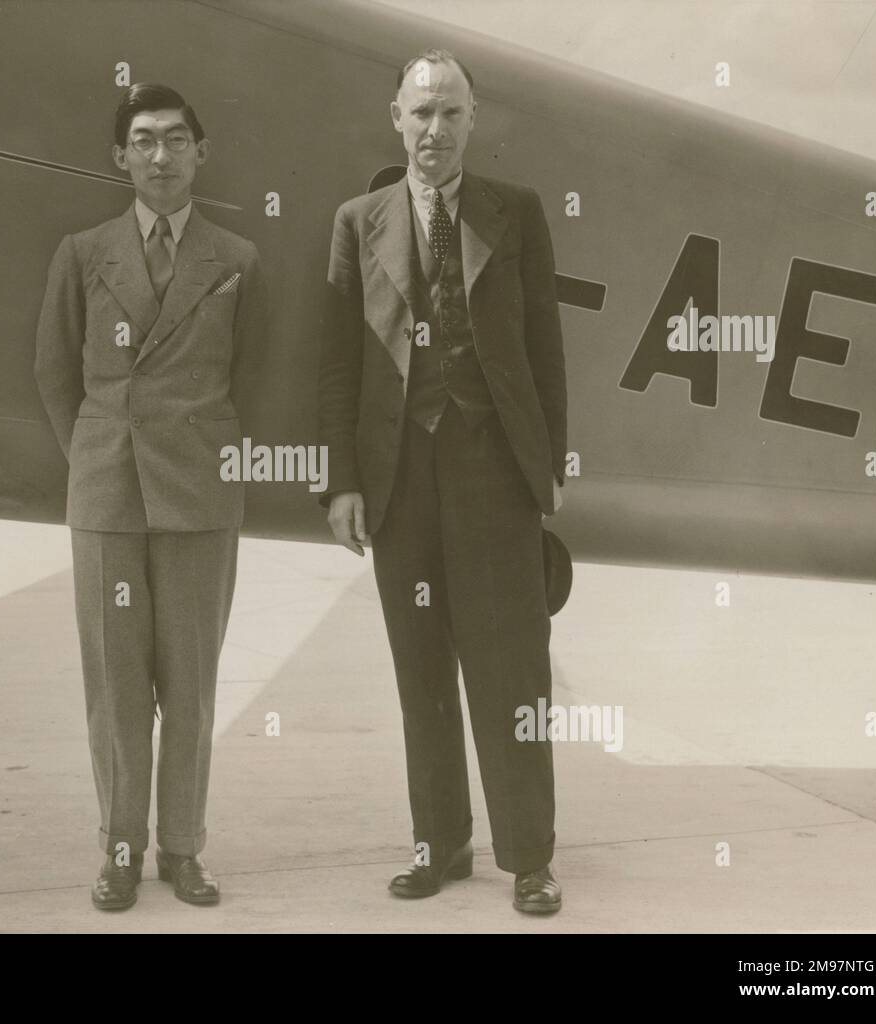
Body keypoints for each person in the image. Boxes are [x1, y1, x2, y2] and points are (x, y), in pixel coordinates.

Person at [318, 49, 568, 913]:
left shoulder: (518, 213)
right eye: (420, 114)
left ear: (474, 121)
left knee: (512, 668)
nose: (434, 130)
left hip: (493, 466)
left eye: (450, 114)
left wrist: (548, 467)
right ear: (396, 117)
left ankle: (529, 858)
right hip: (398, 475)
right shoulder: (358, 221)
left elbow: (545, 352)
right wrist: (341, 482)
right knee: (419, 668)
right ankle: (441, 846)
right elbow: (339, 366)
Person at [35, 82, 265, 910]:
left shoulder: (236, 259)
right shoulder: (84, 252)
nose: (160, 156)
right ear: (120, 158)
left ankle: (184, 849)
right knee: (116, 685)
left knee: (191, 684)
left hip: (199, 496)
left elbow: (257, 379)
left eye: (175, 139)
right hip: (108, 494)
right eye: (144, 141)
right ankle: (120, 851)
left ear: (201, 154)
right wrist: (95, 454)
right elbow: (56, 372)